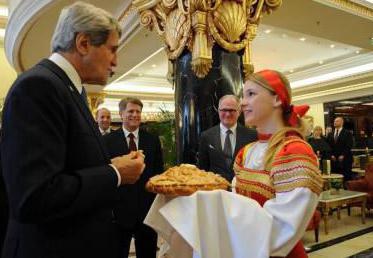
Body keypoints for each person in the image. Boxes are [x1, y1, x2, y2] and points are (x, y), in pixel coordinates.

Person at [0, 2, 145, 258]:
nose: (115, 61)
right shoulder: (38, 86)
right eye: (112, 50)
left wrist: (111, 165)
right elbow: (36, 196)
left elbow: (68, 165)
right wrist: (115, 174)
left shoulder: (68, 88)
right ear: (83, 44)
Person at [232, 70, 323, 257]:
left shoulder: (294, 151)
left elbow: (283, 228)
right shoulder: (246, 152)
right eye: (243, 95)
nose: (242, 102)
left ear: (277, 99)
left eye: (251, 94)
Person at [103, 97, 164, 258]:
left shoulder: (152, 140)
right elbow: (105, 175)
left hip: (147, 211)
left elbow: (158, 173)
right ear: (121, 114)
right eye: (131, 111)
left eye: (138, 111)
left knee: (148, 254)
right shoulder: (107, 141)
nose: (135, 115)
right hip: (118, 211)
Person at [197, 95, 257, 181]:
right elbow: (202, 170)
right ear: (218, 111)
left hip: (242, 189)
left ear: (239, 112)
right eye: (224, 110)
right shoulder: (206, 136)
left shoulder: (252, 136)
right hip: (216, 189)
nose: (228, 114)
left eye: (232, 110)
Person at [326, 117, 354, 181]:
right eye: (334, 121)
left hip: (345, 160)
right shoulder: (330, 134)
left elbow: (349, 145)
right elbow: (328, 146)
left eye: (337, 121)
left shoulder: (347, 133)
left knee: (346, 178)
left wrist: (343, 155)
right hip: (334, 160)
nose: (335, 122)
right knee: (335, 178)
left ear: (342, 122)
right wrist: (331, 155)